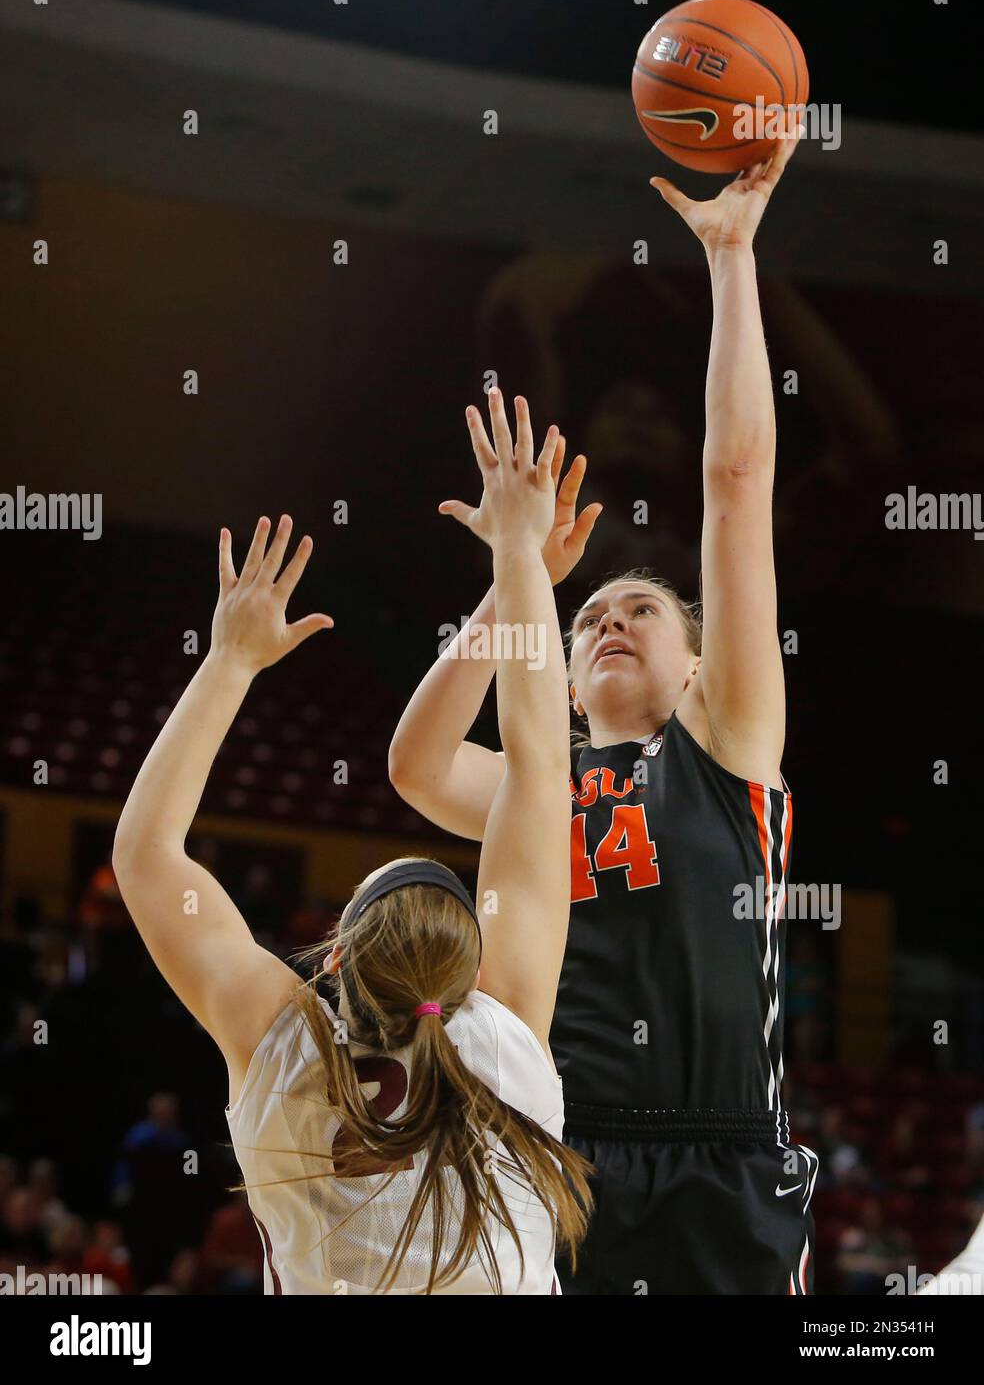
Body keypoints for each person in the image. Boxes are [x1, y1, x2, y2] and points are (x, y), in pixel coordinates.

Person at [391, 127, 819, 1293]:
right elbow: (421, 764)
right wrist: (511, 578)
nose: (611, 619)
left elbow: (737, 484)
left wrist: (730, 257)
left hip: (721, 1149)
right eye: (590, 621)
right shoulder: (540, 787)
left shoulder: (725, 746)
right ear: (565, 681)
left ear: (697, 669)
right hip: (557, 1140)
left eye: (641, 610)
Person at [113, 442, 591, 1295]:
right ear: (466, 972)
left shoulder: (281, 1041)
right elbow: (540, 762)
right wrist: (519, 563)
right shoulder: (504, 1030)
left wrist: (229, 661)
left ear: (334, 956)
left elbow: (146, 854)